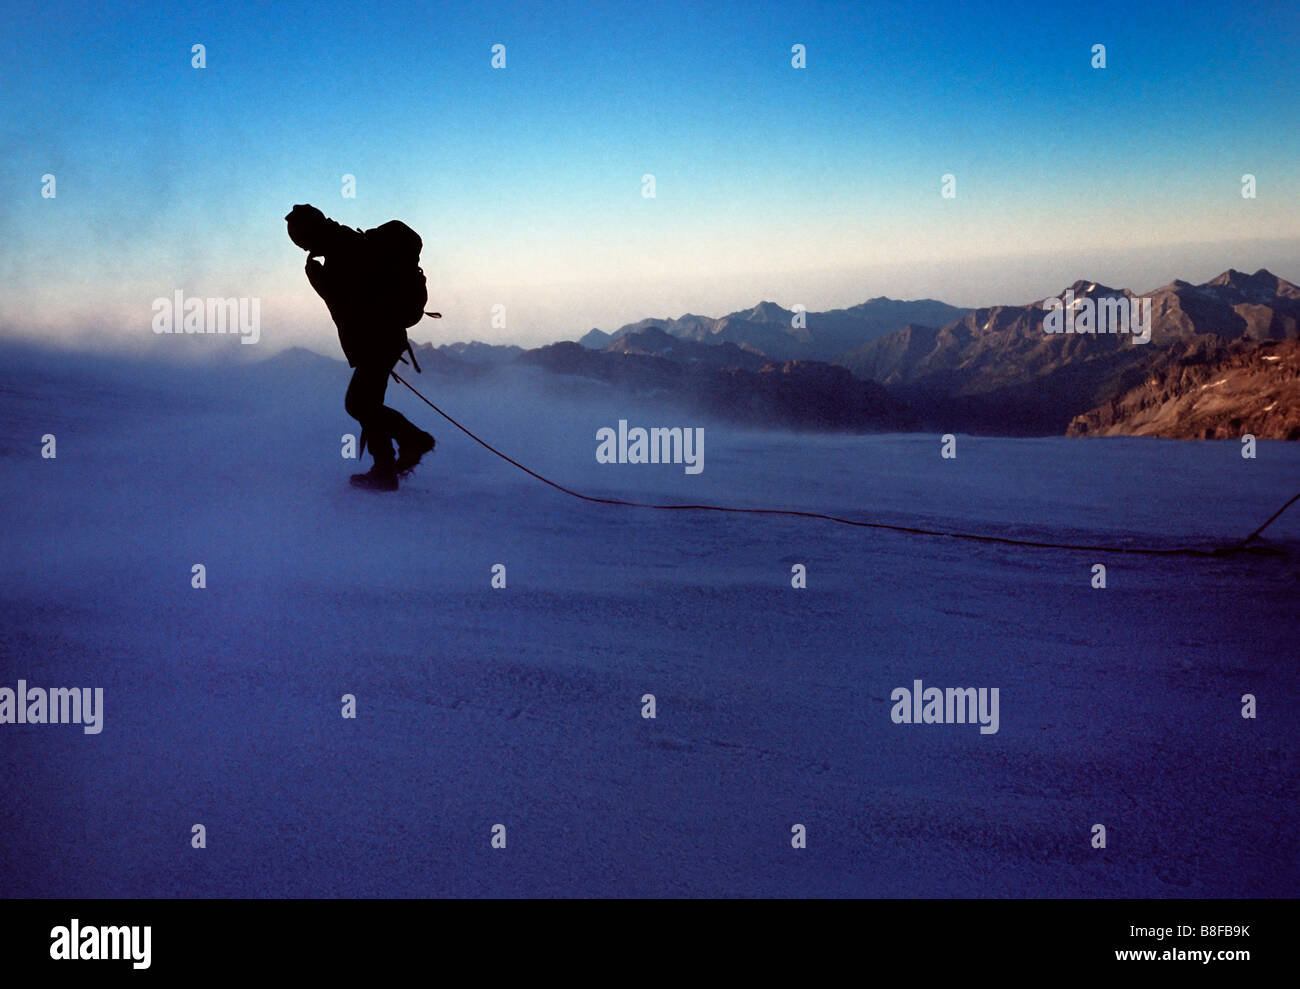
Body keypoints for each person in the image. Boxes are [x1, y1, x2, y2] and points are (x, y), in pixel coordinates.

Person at [285, 204, 436, 490]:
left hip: (378, 340)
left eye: (298, 237)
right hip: (383, 339)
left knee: (359, 404)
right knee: (367, 404)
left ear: (308, 233)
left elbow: (353, 303)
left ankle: (410, 445)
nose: (300, 244)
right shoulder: (341, 244)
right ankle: (387, 467)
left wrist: (319, 281)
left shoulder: (342, 250)